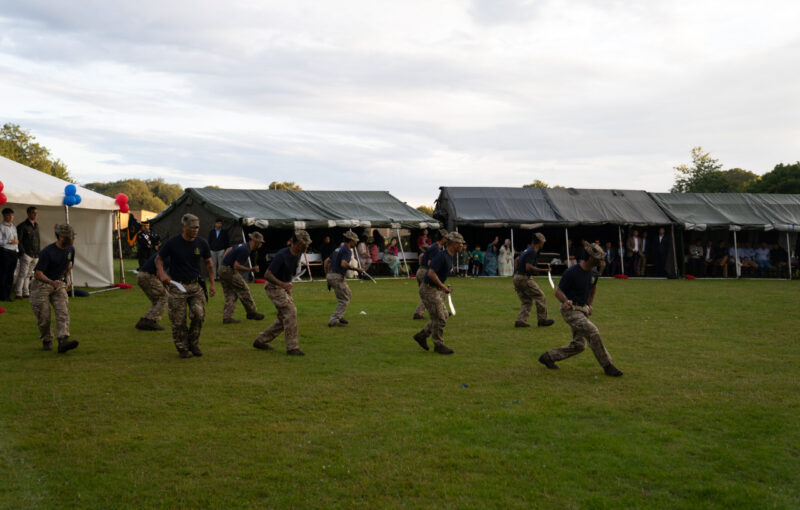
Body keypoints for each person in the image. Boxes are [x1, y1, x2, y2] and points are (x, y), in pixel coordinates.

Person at [538, 243, 622, 377]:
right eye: (598, 258)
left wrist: (590, 305)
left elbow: (593, 288)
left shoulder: (594, 273)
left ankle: (549, 357)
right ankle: (608, 366)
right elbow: (558, 292)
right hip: (570, 310)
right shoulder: (571, 272)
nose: (600, 261)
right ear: (590, 258)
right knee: (593, 331)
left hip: (582, 310)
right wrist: (565, 301)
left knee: (579, 345)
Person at [157, 213, 216, 358]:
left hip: (195, 286)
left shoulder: (202, 243)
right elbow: (159, 259)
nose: (195, 230)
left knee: (199, 315)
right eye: (192, 227)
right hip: (177, 286)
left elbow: (209, 263)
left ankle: (193, 344)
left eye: (197, 227)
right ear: (183, 227)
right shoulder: (173, 243)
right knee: (178, 320)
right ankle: (182, 348)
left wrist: (212, 284)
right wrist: (162, 273)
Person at [254, 230, 312, 355]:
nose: (307, 247)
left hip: (283, 287)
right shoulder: (282, 255)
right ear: (296, 243)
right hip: (273, 286)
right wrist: (282, 284)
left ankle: (261, 340)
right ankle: (292, 347)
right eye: (304, 244)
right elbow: (267, 275)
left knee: (283, 318)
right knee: (291, 312)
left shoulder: (297, 254)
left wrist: (288, 285)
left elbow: (289, 271)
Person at [412, 231, 465, 355]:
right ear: (453, 243)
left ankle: (422, 335)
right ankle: (438, 345)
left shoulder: (449, 256)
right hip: (429, 289)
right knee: (440, 318)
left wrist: (442, 288)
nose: (462, 246)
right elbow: (430, 273)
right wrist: (443, 287)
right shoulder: (442, 255)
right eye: (460, 243)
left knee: (444, 315)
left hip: (436, 289)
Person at [30, 224, 79, 353]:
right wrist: (51, 282)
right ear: (62, 238)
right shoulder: (47, 252)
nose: (73, 239)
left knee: (63, 312)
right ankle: (47, 340)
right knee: (44, 317)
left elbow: (69, 263)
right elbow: (38, 273)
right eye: (71, 237)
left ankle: (63, 341)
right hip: (41, 285)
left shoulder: (70, 249)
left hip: (58, 284)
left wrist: (65, 278)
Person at [219, 232, 266, 324]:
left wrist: (224, 262)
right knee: (244, 289)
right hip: (229, 270)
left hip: (222, 269)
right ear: (255, 242)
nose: (261, 244)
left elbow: (229, 249)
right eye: (260, 242)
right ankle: (252, 313)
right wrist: (251, 269)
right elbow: (236, 266)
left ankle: (227, 318)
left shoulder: (243, 245)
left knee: (231, 294)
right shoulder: (246, 250)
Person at [513, 233, 555, 328]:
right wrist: (543, 270)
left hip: (517, 277)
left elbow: (517, 260)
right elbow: (528, 267)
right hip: (524, 278)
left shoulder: (528, 250)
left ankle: (520, 321)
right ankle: (542, 320)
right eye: (543, 242)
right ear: (540, 242)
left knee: (527, 301)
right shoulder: (532, 251)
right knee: (540, 296)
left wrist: (517, 272)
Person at [324, 231, 366, 327]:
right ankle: (334, 320)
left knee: (347, 294)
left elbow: (326, 261)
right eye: (355, 241)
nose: (356, 243)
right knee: (344, 299)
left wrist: (327, 276)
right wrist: (357, 269)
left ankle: (340, 315)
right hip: (337, 276)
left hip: (331, 275)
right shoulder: (347, 250)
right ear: (351, 241)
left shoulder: (338, 248)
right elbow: (343, 264)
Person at [413, 229, 447, 320]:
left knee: (426, 294)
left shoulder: (435, 246)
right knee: (438, 291)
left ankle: (418, 313)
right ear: (443, 238)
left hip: (421, 271)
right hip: (425, 272)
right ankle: (443, 312)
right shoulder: (436, 248)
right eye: (447, 238)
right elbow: (430, 263)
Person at [134, 251, 168, 331]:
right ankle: (151, 321)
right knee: (164, 297)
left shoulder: (166, 253)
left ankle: (145, 321)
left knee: (157, 300)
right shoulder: (169, 255)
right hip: (148, 276)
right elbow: (159, 273)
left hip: (143, 276)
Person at [15, 206, 40, 300]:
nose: (35, 215)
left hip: (35, 254)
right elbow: (19, 240)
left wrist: (38, 252)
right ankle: (18, 293)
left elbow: (38, 240)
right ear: (28, 213)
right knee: (23, 274)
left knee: (29, 274)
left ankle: (26, 292)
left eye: (36, 213)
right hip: (26, 253)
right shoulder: (22, 226)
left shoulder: (36, 225)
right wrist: (22, 252)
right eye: (33, 213)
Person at [0, 208, 19, 301]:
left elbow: (15, 239)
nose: (11, 217)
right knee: (4, 274)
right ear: (4, 216)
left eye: (12, 215)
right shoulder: (1, 227)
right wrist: (9, 241)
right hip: (5, 252)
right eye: (9, 215)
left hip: (13, 252)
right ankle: (2, 295)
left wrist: (16, 247)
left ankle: (7, 295)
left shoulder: (13, 227)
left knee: (11, 274)